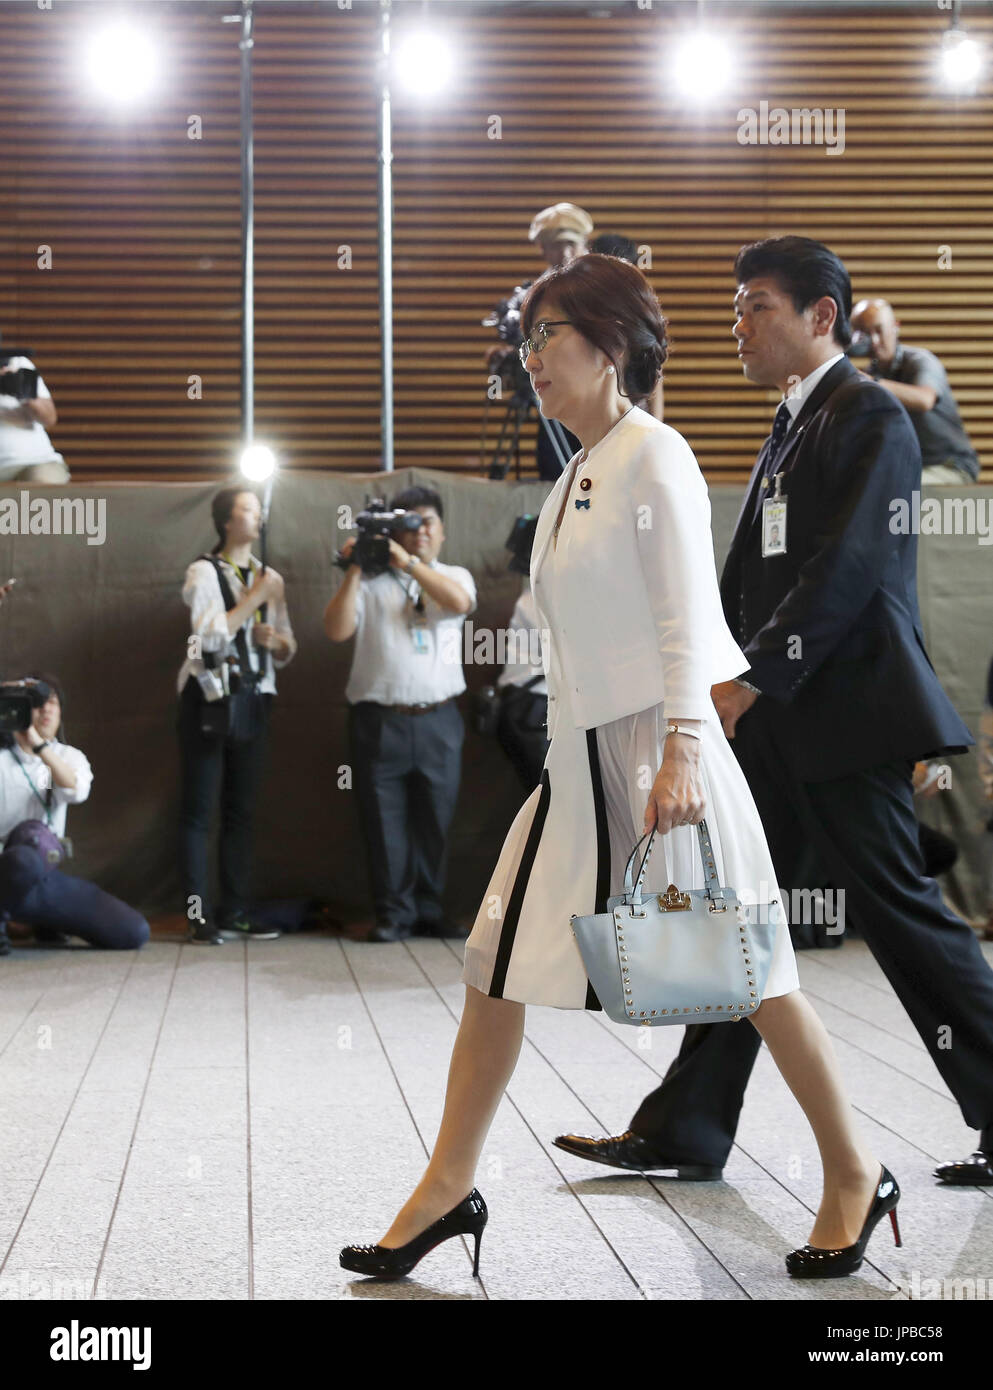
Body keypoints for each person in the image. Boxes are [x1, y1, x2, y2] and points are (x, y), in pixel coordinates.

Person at [340, 253, 898, 1283]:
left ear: (609, 345)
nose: (529, 357)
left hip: (660, 754)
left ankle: (856, 1173)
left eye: (546, 335)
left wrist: (684, 749)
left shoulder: (655, 457)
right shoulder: (575, 478)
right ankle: (447, 1184)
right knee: (493, 960)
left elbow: (691, 619)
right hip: (578, 760)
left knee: (757, 980)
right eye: (526, 338)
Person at [557, 238, 993, 1192]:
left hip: (843, 717)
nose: (736, 324)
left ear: (821, 317)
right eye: (735, 307)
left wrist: (747, 680)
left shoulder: (869, 413)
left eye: (754, 305)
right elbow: (748, 581)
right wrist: (703, 670)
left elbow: (848, 571)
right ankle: (685, 1127)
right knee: (738, 918)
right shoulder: (792, 423)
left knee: (903, 918)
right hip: (782, 722)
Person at [324, 486, 476, 943]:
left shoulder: (455, 575)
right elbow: (336, 630)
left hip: (439, 720)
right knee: (383, 823)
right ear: (396, 531)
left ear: (443, 530)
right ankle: (393, 913)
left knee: (436, 821)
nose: (422, 530)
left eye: (429, 522)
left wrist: (407, 563)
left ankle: (430, 910)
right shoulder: (369, 582)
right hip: (378, 720)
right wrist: (356, 567)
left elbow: (459, 605)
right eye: (411, 523)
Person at [177, 487, 296, 944]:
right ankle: (196, 914)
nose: (257, 514)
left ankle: (237, 911)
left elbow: (288, 645)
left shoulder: (272, 578)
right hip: (207, 698)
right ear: (226, 520)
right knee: (198, 808)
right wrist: (253, 599)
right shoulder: (203, 571)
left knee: (241, 810)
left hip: (255, 695)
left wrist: (276, 641)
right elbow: (208, 635)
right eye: (247, 508)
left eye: (258, 507)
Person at [0, 675, 148, 954]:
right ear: (15, 708)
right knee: (21, 859)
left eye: (52, 703)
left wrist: (39, 747)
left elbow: (75, 790)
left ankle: (19, 916)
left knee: (132, 931)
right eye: (36, 704)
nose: (45, 709)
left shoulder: (68, 756)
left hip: (40, 876)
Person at [484, 203, 593, 480]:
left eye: (569, 245)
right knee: (553, 468)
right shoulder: (542, 287)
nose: (561, 254)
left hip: (593, 399)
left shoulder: (599, 286)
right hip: (556, 394)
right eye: (551, 247)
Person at [850, 297, 980, 484]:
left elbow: (924, 400)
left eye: (879, 330)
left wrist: (871, 382)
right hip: (910, 468)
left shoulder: (921, 360)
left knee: (893, 487)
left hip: (951, 466)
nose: (875, 342)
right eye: (865, 334)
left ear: (895, 327)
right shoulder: (867, 377)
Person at [589, 232, 665, 421]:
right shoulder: (581, 312)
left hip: (632, 416)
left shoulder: (642, 311)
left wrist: (656, 425)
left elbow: (656, 375)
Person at [0, 336, 70, 483]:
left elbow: (49, 418)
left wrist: (24, 394)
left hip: (35, 462)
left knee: (39, 491)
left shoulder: (17, 363)